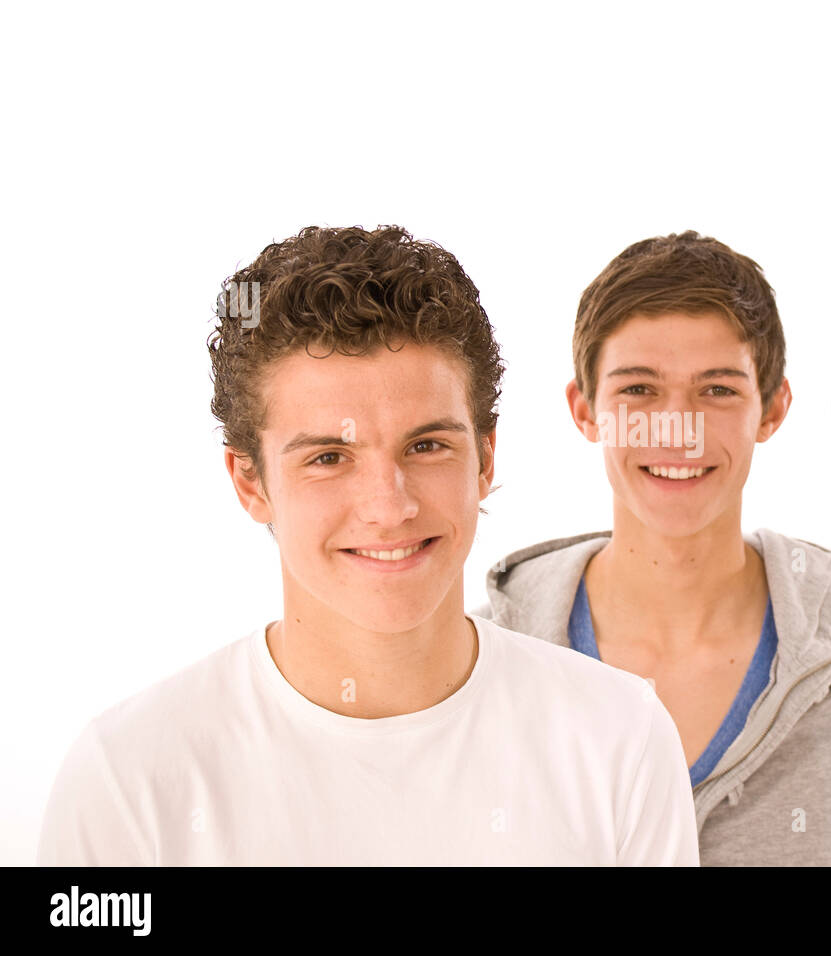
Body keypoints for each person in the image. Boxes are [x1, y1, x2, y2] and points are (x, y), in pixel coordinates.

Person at [36, 225, 698, 866]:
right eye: (328, 457)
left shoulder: (620, 739)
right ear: (250, 481)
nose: (390, 507)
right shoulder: (129, 779)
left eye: (427, 445)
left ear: (485, 459)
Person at [477, 231, 831, 865]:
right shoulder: (478, 665)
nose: (679, 428)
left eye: (718, 390)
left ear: (773, 408)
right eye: (638, 390)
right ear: (585, 408)